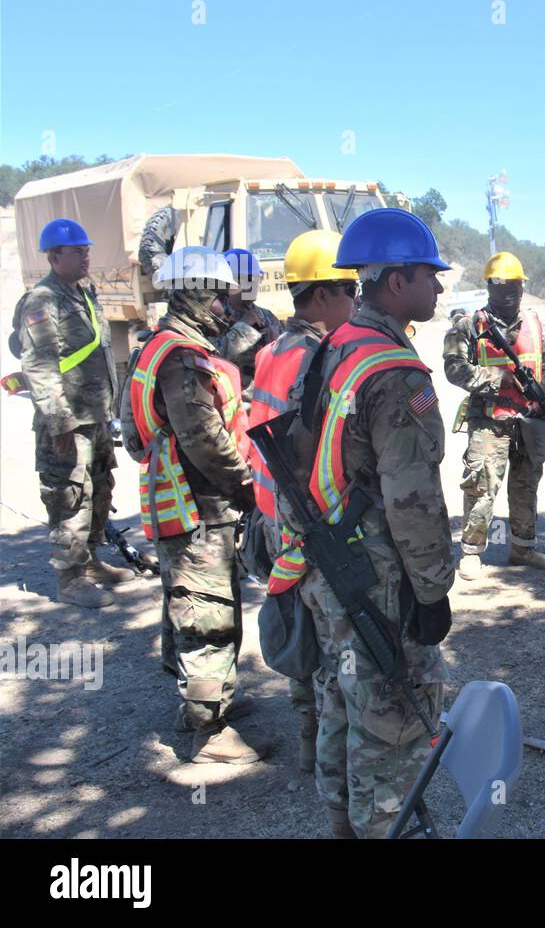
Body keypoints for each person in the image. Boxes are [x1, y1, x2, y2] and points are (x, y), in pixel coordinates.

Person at [270, 207, 456, 837]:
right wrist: (431, 591)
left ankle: (341, 826)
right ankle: (383, 827)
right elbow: (412, 499)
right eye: (430, 275)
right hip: (376, 577)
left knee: (341, 704)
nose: (438, 287)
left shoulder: (335, 347)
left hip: (330, 565)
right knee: (394, 719)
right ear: (396, 281)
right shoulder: (395, 371)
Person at [119, 247, 265, 764]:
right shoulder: (182, 359)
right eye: (220, 294)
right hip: (198, 503)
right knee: (207, 611)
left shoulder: (156, 346)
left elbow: (135, 433)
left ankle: (207, 699)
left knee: (190, 598)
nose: (227, 305)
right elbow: (203, 437)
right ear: (194, 290)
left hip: (180, 503)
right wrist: (247, 485)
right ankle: (209, 733)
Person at [246, 230, 357, 782]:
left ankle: (309, 741)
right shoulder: (318, 359)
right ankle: (329, 764)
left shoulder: (271, 351)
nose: (357, 301)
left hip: (271, 519)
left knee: (297, 630)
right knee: (327, 644)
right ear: (320, 294)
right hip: (301, 527)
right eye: (350, 288)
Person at [12, 218, 133, 607]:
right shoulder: (42, 302)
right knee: (70, 496)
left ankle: (92, 559)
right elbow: (40, 364)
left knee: (99, 488)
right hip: (67, 421)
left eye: (87, 250)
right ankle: (70, 578)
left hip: (94, 415)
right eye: (77, 252)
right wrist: (58, 419)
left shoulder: (82, 294)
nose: (86, 257)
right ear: (53, 257)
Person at [443, 251, 545, 579]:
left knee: (526, 485)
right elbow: (454, 368)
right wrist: (498, 379)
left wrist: (543, 392)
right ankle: (471, 551)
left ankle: (523, 548)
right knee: (481, 484)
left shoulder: (535, 323)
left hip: (529, 420)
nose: (512, 294)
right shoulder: (468, 325)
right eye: (505, 288)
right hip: (488, 420)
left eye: (517, 288)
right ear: (490, 288)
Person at [217, 248, 284, 388]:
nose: (254, 284)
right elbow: (216, 358)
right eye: (248, 279)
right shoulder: (216, 318)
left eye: (257, 279)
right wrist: (244, 327)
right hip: (232, 398)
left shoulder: (268, 317)